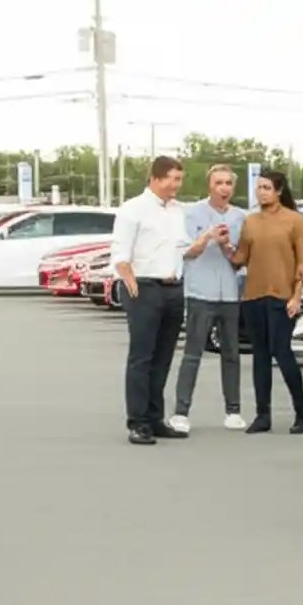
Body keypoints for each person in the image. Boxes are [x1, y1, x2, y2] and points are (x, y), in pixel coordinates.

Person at [111, 156, 192, 445]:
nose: (176, 185)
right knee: (142, 357)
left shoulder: (178, 211)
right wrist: (131, 282)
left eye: (179, 179)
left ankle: (155, 418)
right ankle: (138, 422)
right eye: (172, 178)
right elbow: (120, 253)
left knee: (163, 357)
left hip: (172, 288)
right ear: (155, 178)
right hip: (144, 287)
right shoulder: (133, 210)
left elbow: (181, 249)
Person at [224, 169, 303, 434]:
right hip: (254, 297)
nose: (261, 192)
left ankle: (301, 412)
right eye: (258, 187)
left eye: (266, 188)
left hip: (283, 297)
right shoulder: (251, 221)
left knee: (282, 352)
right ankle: (263, 415)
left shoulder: (295, 220)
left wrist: (297, 295)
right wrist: (224, 245)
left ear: (279, 191)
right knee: (260, 356)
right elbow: (241, 258)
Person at [168, 164, 248, 434]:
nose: (224, 188)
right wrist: (208, 237)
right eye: (219, 183)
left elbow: (239, 261)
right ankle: (181, 412)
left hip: (229, 294)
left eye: (228, 183)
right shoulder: (192, 213)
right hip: (200, 292)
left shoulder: (240, 217)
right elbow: (187, 252)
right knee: (193, 353)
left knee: (231, 354)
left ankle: (233, 411)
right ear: (209, 186)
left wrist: (226, 246)